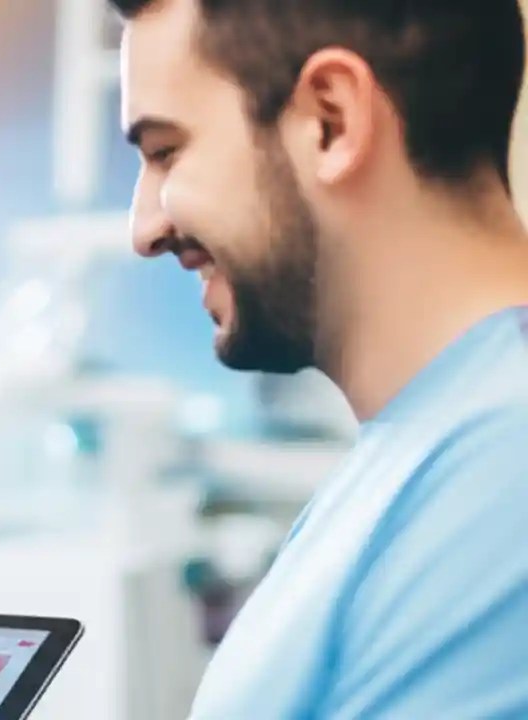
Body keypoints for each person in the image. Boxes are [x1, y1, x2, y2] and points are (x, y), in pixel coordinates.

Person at [110, 0, 528, 717]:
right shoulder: (423, 453)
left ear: (331, 120)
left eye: (166, 151)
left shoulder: (506, 469)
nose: (144, 228)